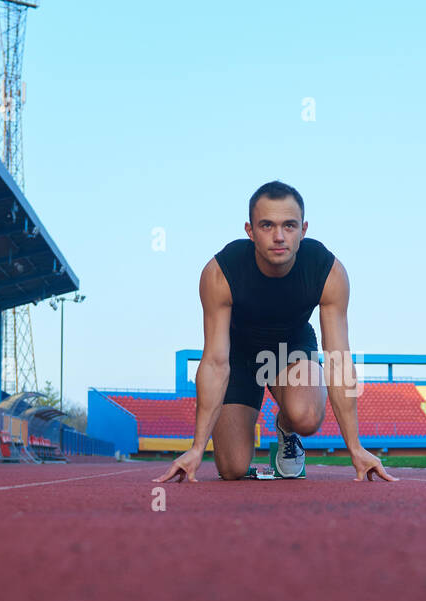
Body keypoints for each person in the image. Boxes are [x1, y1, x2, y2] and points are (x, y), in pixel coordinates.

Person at [154, 181, 396, 483]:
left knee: (306, 416)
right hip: (239, 354)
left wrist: (356, 448)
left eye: (289, 225)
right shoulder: (220, 273)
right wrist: (196, 448)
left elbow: (338, 360)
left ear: (304, 229)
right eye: (267, 225)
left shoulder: (328, 272)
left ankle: (286, 426)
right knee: (232, 470)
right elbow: (215, 361)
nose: (279, 236)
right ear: (250, 230)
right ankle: (245, 444)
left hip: (291, 349)